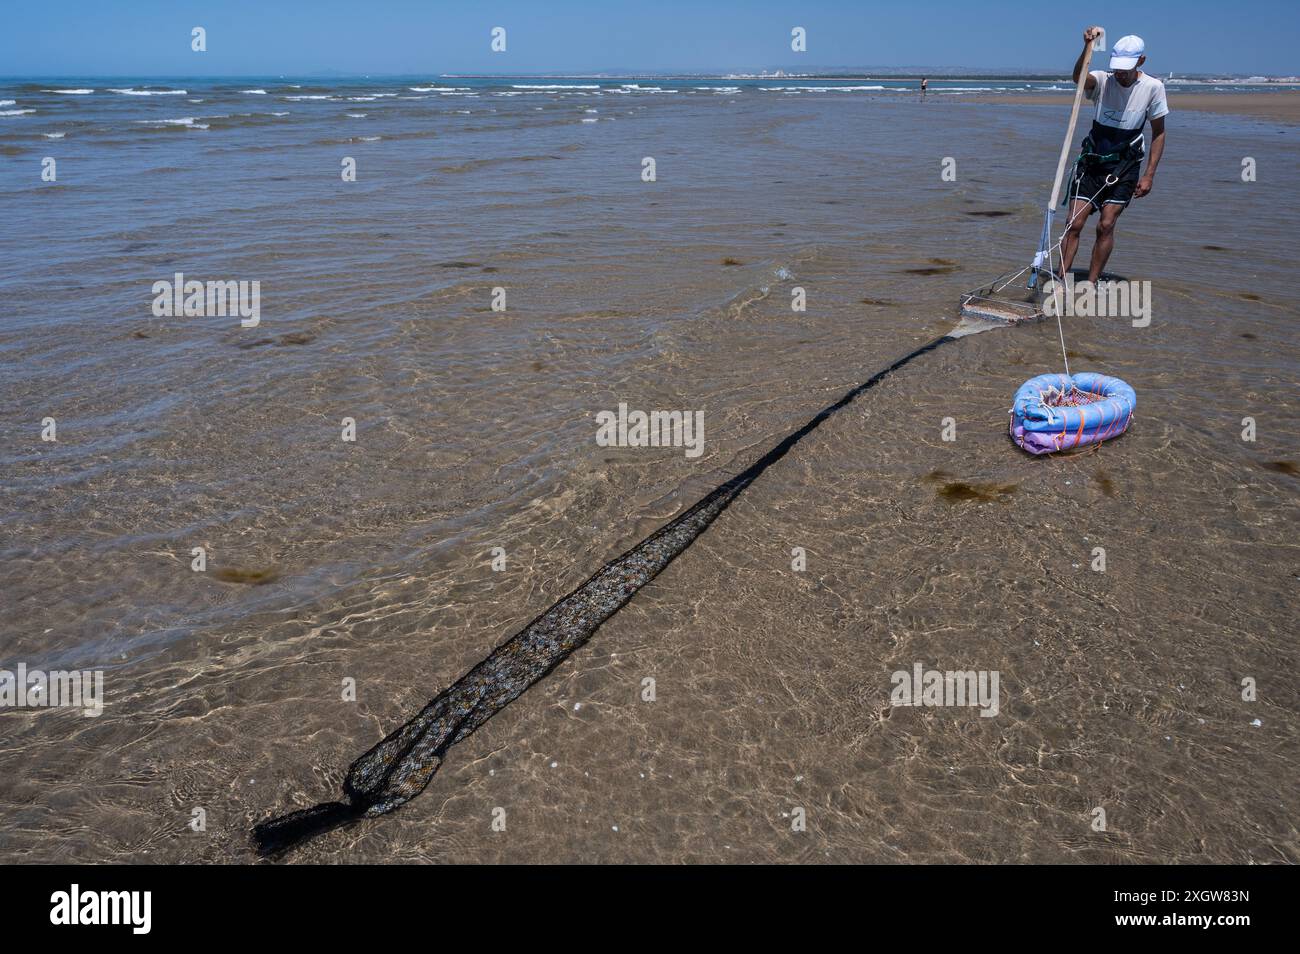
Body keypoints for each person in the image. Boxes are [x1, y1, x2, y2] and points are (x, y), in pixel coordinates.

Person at [1058, 28, 1168, 282]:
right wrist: (1087, 46)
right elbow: (1080, 78)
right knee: (1073, 223)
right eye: (1117, 67)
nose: (1120, 73)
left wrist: (1149, 175)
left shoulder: (1153, 88)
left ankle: (1091, 283)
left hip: (1124, 166)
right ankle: (1061, 280)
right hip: (1093, 162)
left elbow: (1159, 133)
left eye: (1126, 68)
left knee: (1106, 225)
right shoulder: (1102, 80)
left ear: (1141, 61)